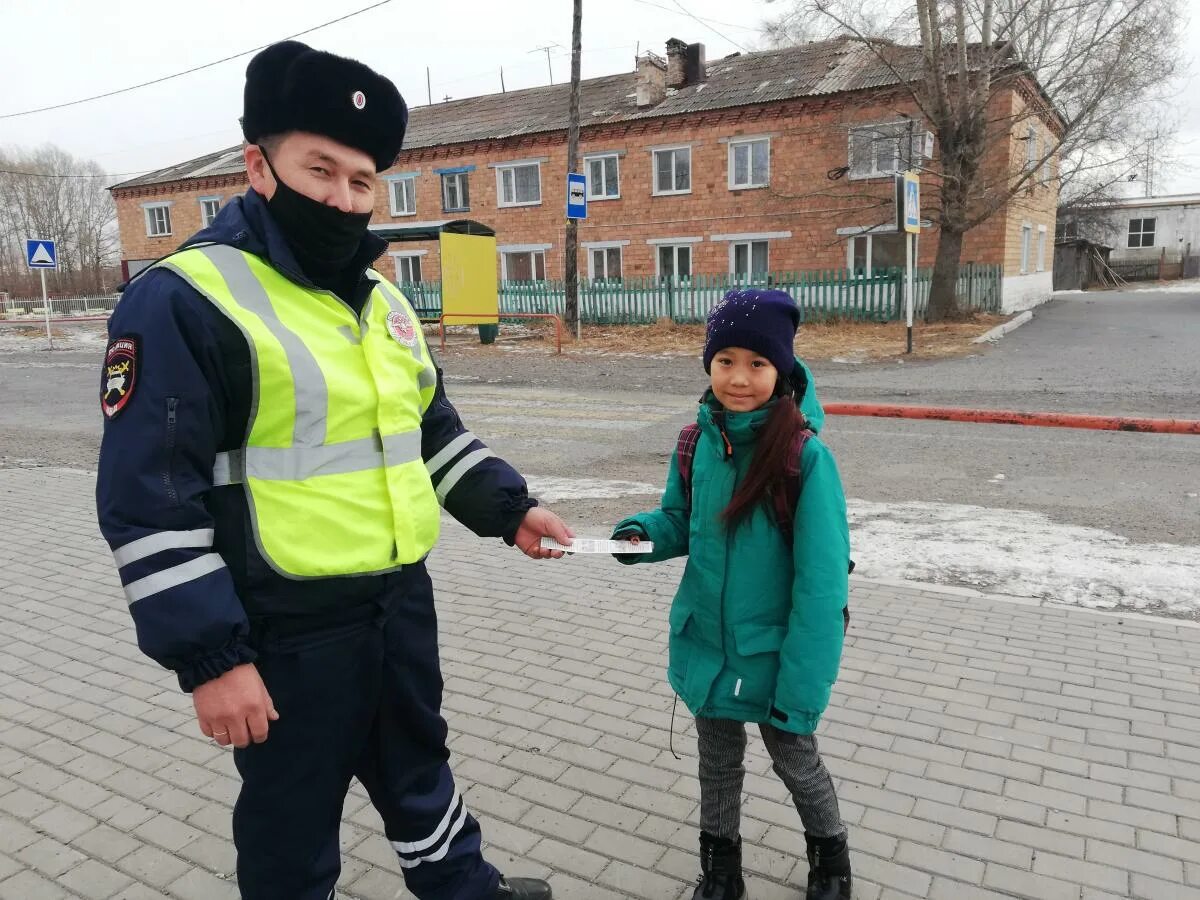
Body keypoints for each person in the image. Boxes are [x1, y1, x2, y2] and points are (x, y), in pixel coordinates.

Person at [95, 41, 573, 900]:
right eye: (322, 169)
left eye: (362, 182)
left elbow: (427, 432)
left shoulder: (383, 301)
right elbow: (151, 501)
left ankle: (465, 890)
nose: (344, 198)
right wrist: (212, 659)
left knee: (420, 771)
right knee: (292, 823)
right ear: (258, 164)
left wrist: (509, 509)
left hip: (397, 601)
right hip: (285, 630)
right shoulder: (185, 297)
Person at [609, 289, 852, 900]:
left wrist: (802, 684)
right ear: (708, 364)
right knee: (717, 767)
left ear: (783, 371)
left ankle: (832, 860)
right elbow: (679, 518)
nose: (739, 378)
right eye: (725, 361)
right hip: (708, 644)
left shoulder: (805, 458)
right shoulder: (696, 442)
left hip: (773, 656)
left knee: (796, 763)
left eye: (757, 364)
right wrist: (643, 536)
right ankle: (720, 871)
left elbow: (823, 589)